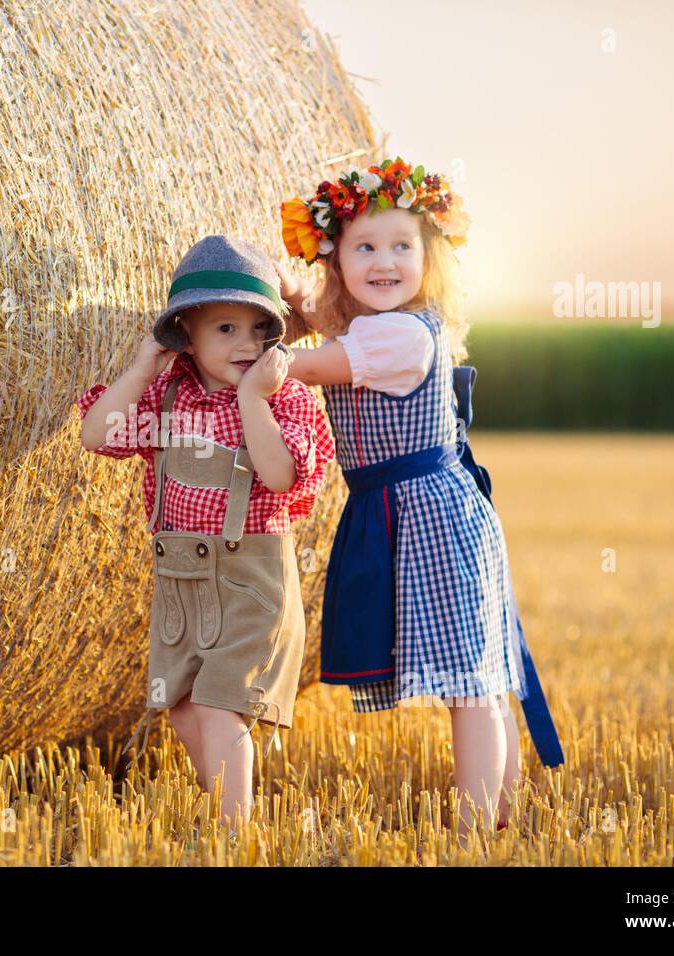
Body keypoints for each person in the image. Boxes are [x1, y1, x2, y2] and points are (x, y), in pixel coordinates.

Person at [276, 158, 563, 847]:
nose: (384, 262)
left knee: (473, 683)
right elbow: (325, 326)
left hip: (429, 517)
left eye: (402, 246)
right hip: (426, 510)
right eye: (363, 248)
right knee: (483, 678)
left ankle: (474, 828)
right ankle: (499, 813)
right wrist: (297, 304)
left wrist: (239, 344)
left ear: (428, 258)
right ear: (336, 260)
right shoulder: (387, 325)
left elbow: (303, 364)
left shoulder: (398, 335)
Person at [76, 234, 335, 830]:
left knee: (221, 710)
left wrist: (253, 398)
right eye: (225, 328)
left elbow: (279, 473)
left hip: (252, 585)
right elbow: (96, 435)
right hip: (181, 586)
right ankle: (235, 805)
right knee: (186, 710)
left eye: (258, 330)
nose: (245, 344)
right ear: (185, 333)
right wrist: (142, 368)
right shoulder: (169, 395)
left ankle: (231, 836)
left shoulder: (285, 399)